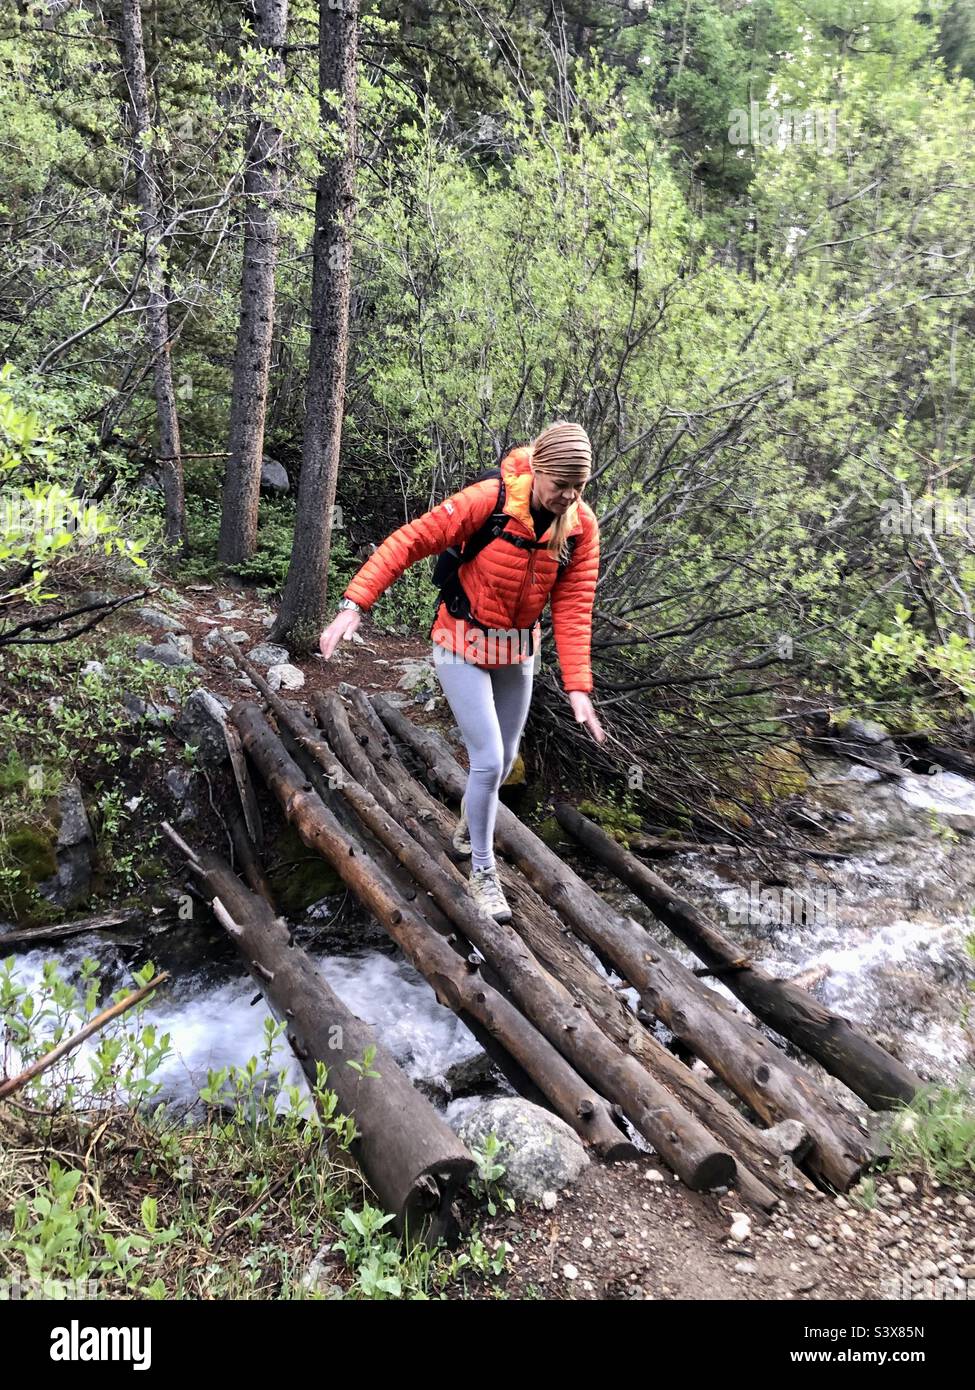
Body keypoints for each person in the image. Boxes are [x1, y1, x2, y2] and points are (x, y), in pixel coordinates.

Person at [319, 420, 604, 923]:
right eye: (561, 485)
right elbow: (408, 541)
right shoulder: (487, 501)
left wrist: (579, 687)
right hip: (461, 643)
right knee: (490, 761)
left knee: (506, 756)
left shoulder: (580, 527)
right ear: (537, 470)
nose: (569, 497)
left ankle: (467, 824)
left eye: (579, 488)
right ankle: (483, 871)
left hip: (519, 651)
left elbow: (575, 607)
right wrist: (353, 605)